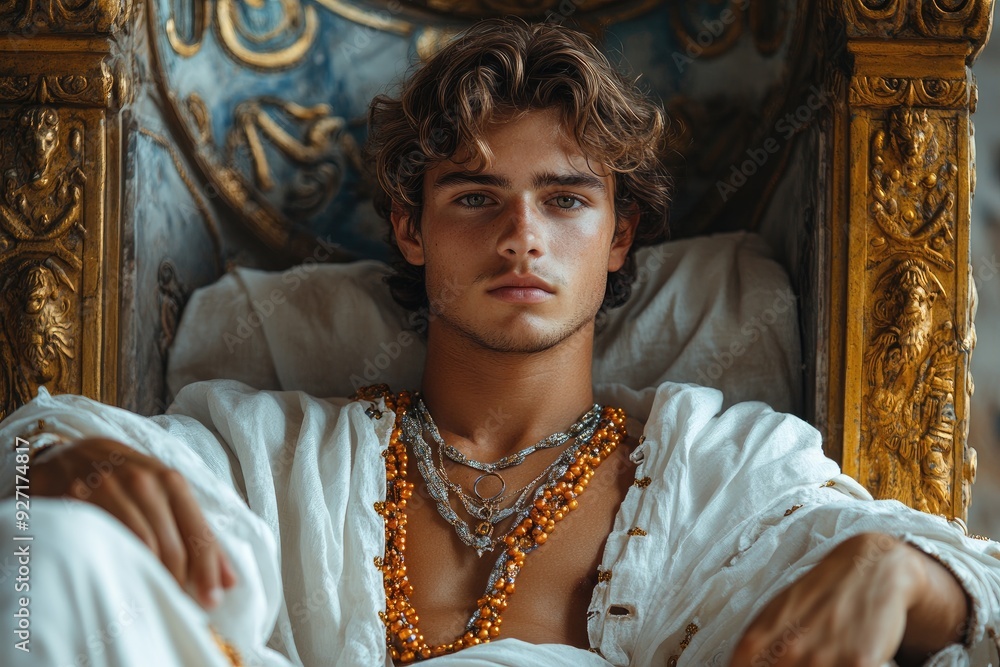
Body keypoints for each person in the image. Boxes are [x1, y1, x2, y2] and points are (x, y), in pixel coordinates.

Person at [2, 17, 999, 667]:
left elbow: (976, 589)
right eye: (475, 197)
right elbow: (25, 482)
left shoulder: (713, 465)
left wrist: (898, 570)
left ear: (618, 238)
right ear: (410, 229)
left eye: (564, 200)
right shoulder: (276, 448)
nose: (521, 234)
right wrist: (47, 464)